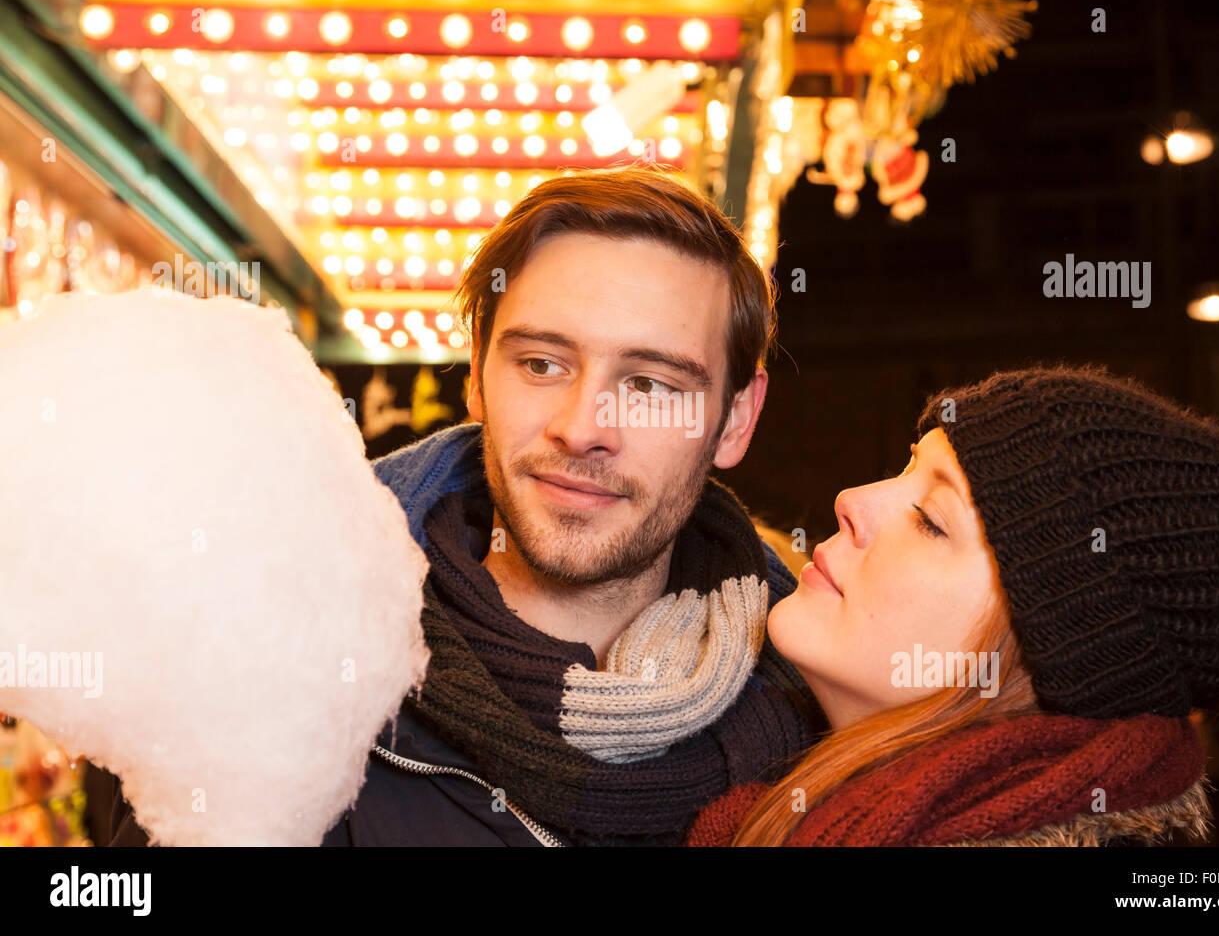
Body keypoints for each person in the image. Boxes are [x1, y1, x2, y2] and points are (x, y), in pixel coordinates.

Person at [104, 164, 824, 847]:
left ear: (735, 418)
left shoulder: (821, 734)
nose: (583, 427)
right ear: (477, 371)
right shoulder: (277, 665)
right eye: (542, 364)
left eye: (650, 385)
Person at [689, 365, 1219, 846]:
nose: (851, 499)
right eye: (904, 468)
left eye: (931, 521)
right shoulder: (751, 795)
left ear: (1046, 661)